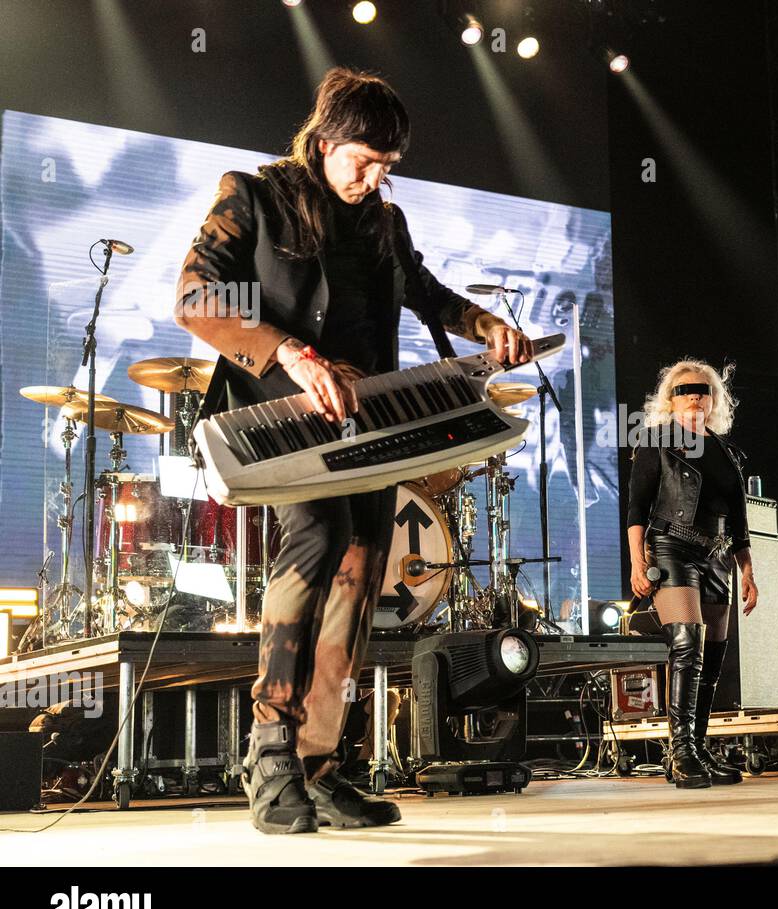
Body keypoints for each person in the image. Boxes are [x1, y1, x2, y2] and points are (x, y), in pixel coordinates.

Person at [174, 68, 533, 834]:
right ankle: (270, 760)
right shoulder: (256, 195)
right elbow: (199, 295)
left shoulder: (384, 224)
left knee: (362, 570)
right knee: (312, 551)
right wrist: (290, 354)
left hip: (368, 426)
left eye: (387, 168)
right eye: (362, 161)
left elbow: (429, 296)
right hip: (283, 417)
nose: (373, 180)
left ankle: (317, 765)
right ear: (326, 140)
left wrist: (486, 327)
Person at [626, 359, 758, 788]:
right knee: (687, 641)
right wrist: (635, 562)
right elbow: (637, 509)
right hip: (672, 547)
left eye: (702, 389)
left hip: (718, 557)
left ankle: (698, 747)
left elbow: (740, 524)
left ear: (714, 397)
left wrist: (749, 574)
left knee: (713, 660)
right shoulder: (656, 441)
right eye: (683, 390)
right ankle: (679, 751)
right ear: (670, 400)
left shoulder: (726, 451)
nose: (694, 396)